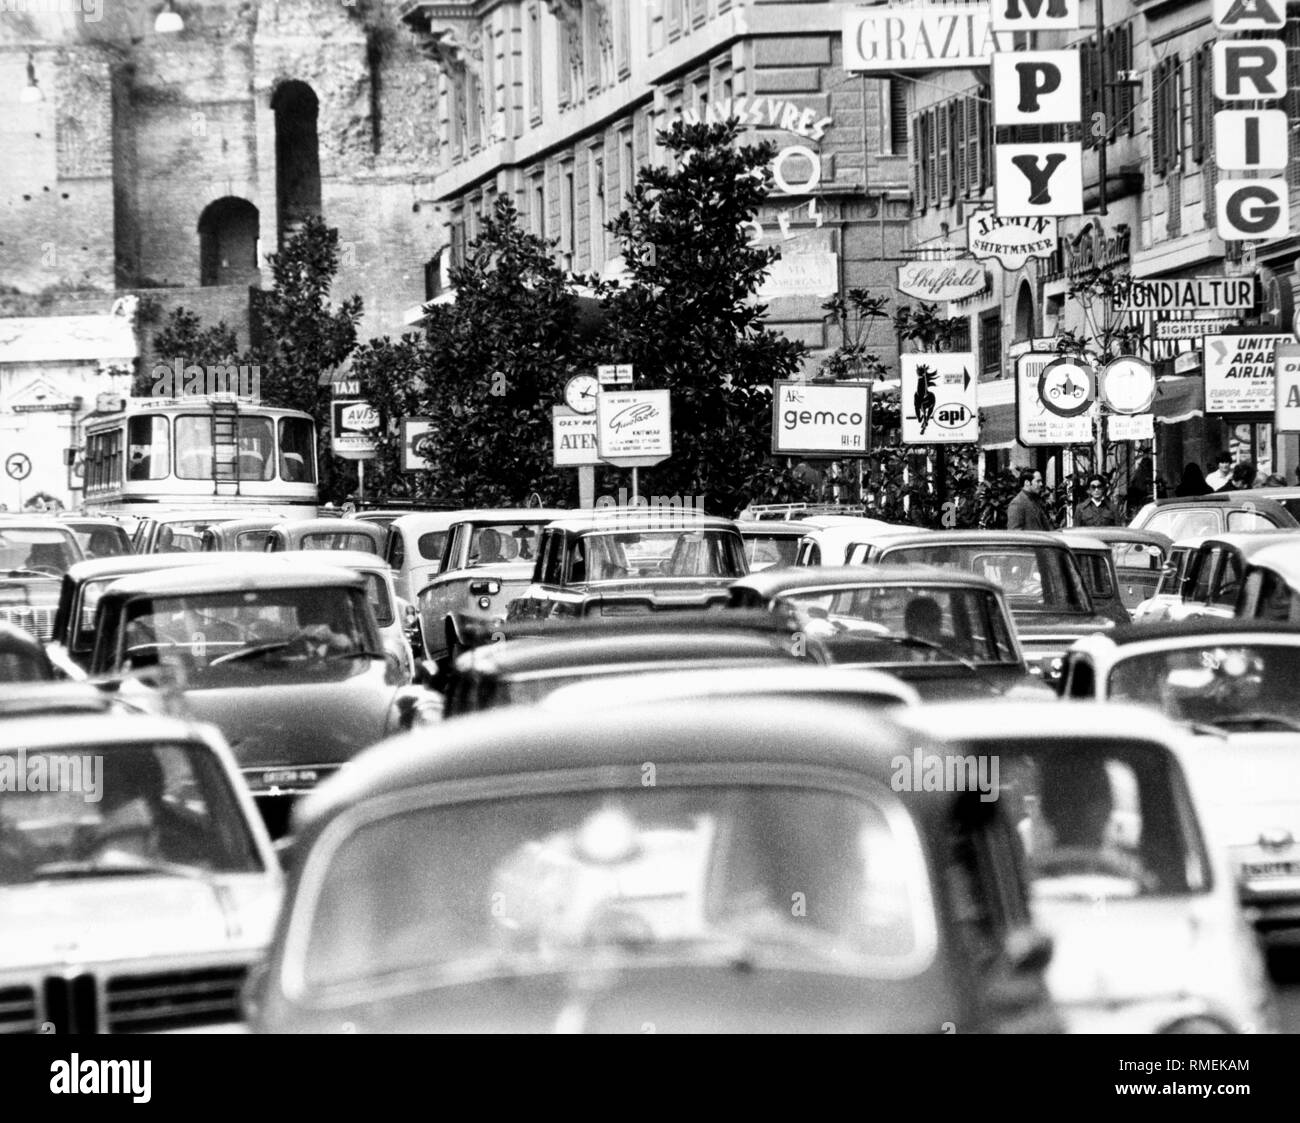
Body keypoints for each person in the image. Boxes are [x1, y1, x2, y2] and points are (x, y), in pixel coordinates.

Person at [81, 750, 211, 866]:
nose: (93, 791)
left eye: (104, 783)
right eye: (94, 780)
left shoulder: (180, 842)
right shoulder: (86, 836)